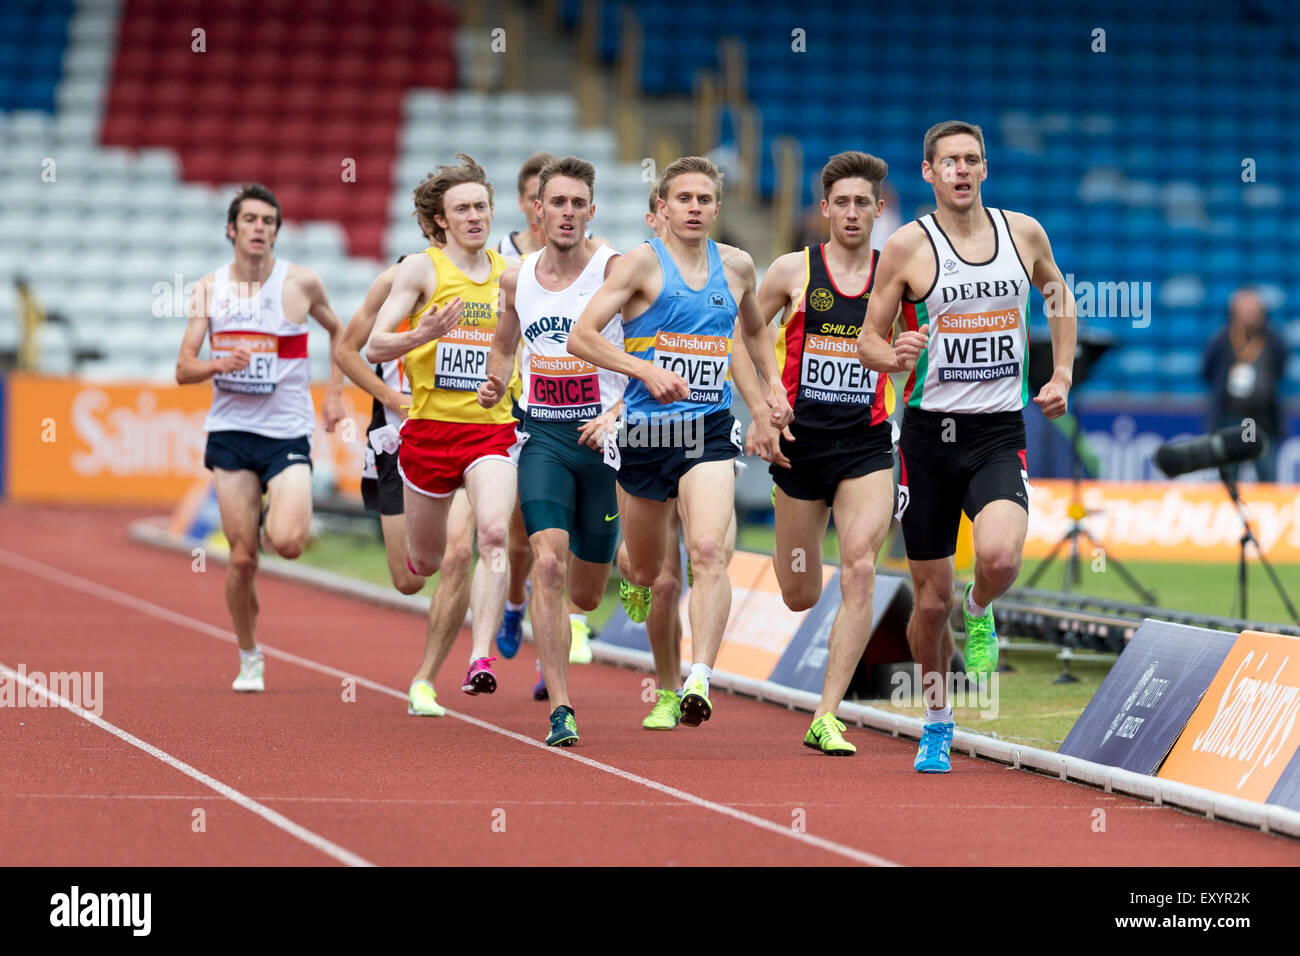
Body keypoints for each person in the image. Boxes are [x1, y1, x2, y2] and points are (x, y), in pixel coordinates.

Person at [858, 121, 1076, 773]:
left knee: (1002, 557)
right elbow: (868, 338)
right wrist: (892, 354)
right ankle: (937, 720)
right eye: (947, 161)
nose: (960, 170)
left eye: (971, 160)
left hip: (995, 430)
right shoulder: (905, 246)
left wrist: (1060, 371)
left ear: (985, 168)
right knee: (928, 602)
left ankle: (981, 610)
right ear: (928, 172)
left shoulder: (1023, 233)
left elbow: (1058, 294)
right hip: (926, 436)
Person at [569, 155, 793, 728]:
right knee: (647, 572)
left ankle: (698, 677)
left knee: (710, 550)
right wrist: (644, 372)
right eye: (683, 199)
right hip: (646, 435)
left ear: (717, 208)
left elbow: (751, 333)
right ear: (661, 209)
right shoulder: (641, 265)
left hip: (708, 431)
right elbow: (582, 337)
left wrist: (770, 392)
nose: (694, 208)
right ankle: (632, 574)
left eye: (704, 200)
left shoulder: (738, 266)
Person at [753, 151, 897, 756]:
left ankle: (827, 713)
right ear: (824, 210)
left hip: (866, 444)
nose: (853, 212)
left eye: (864, 202)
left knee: (861, 567)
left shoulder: (898, 275)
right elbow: (743, 334)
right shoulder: (792, 271)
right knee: (800, 593)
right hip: (799, 448)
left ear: (878, 209)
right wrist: (763, 405)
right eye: (842, 201)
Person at [175, 183, 345, 693]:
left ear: (275, 230)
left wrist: (334, 393)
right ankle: (250, 654)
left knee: (289, 544)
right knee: (243, 558)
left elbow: (341, 332)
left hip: (285, 431)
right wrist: (218, 363)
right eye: (249, 220)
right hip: (230, 433)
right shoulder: (209, 289)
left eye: (267, 221)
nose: (258, 228)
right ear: (231, 229)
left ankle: (278, 516)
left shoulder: (301, 284)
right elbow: (183, 368)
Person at [478, 156, 625, 746]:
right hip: (543, 435)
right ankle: (561, 706)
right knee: (546, 561)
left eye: (577, 204)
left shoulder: (616, 270)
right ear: (536, 210)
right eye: (556, 203)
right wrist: (495, 380)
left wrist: (617, 413)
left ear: (592, 210)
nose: (567, 213)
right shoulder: (516, 277)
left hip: (605, 442)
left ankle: (609, 588)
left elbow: (650, 348)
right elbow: (504, 347)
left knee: (587, 591)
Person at [366, 154, 522, 702]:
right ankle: (423, 559)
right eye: (463, 209)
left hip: (490, 431)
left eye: (482, 206)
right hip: (429, 433)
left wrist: (500, 382)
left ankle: (480, 656)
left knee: (493, 534)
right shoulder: (421, 270)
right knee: (427, 562)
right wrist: (420, 334)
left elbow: (523, 348)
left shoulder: (513, 275)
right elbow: (373, 345)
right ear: (440, 221)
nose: (475, 216)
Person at [334, 216, 478, 717]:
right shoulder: (398, 277)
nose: (467, 222)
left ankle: (426, 679)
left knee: (462, 554)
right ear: (433, 223)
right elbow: (348, 350)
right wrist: (390, 396)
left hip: (469, 432)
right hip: (400, 437)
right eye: (453, 214)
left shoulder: (495, 277)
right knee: (412, 576)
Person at [1202, 287, 1287, 482]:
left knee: (1266, 475)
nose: (1249, 313)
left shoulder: (1272, 340)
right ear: (1234, 311)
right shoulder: (1221, 339)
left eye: (1253, 308)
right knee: (1230, 473)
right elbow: (1207, 371)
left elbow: (1280, 369)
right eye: (1244, 308)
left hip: (1262, 419)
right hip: (1231, 418)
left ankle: (1266, 512)